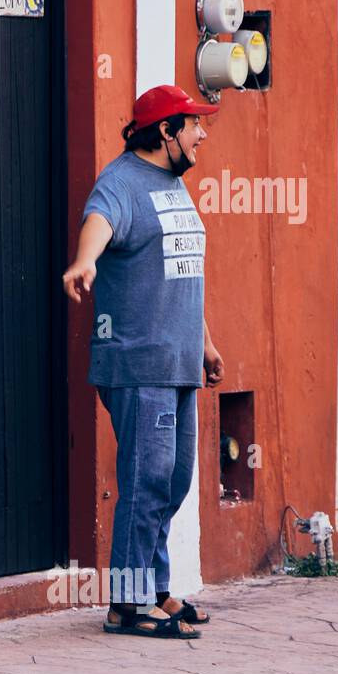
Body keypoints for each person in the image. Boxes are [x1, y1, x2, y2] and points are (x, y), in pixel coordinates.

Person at [61, 85, 225, 639]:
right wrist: (85, 263)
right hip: (138, 364)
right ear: (165, 131)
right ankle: (127, 605)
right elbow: (98, 221)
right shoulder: (122, 182)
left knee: (173, 480)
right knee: (146, 479)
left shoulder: (174, 185)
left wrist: (204, 342)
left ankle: (153, 587)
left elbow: (181, 270)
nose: (202, 134)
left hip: (179, 362)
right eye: (194, 125)